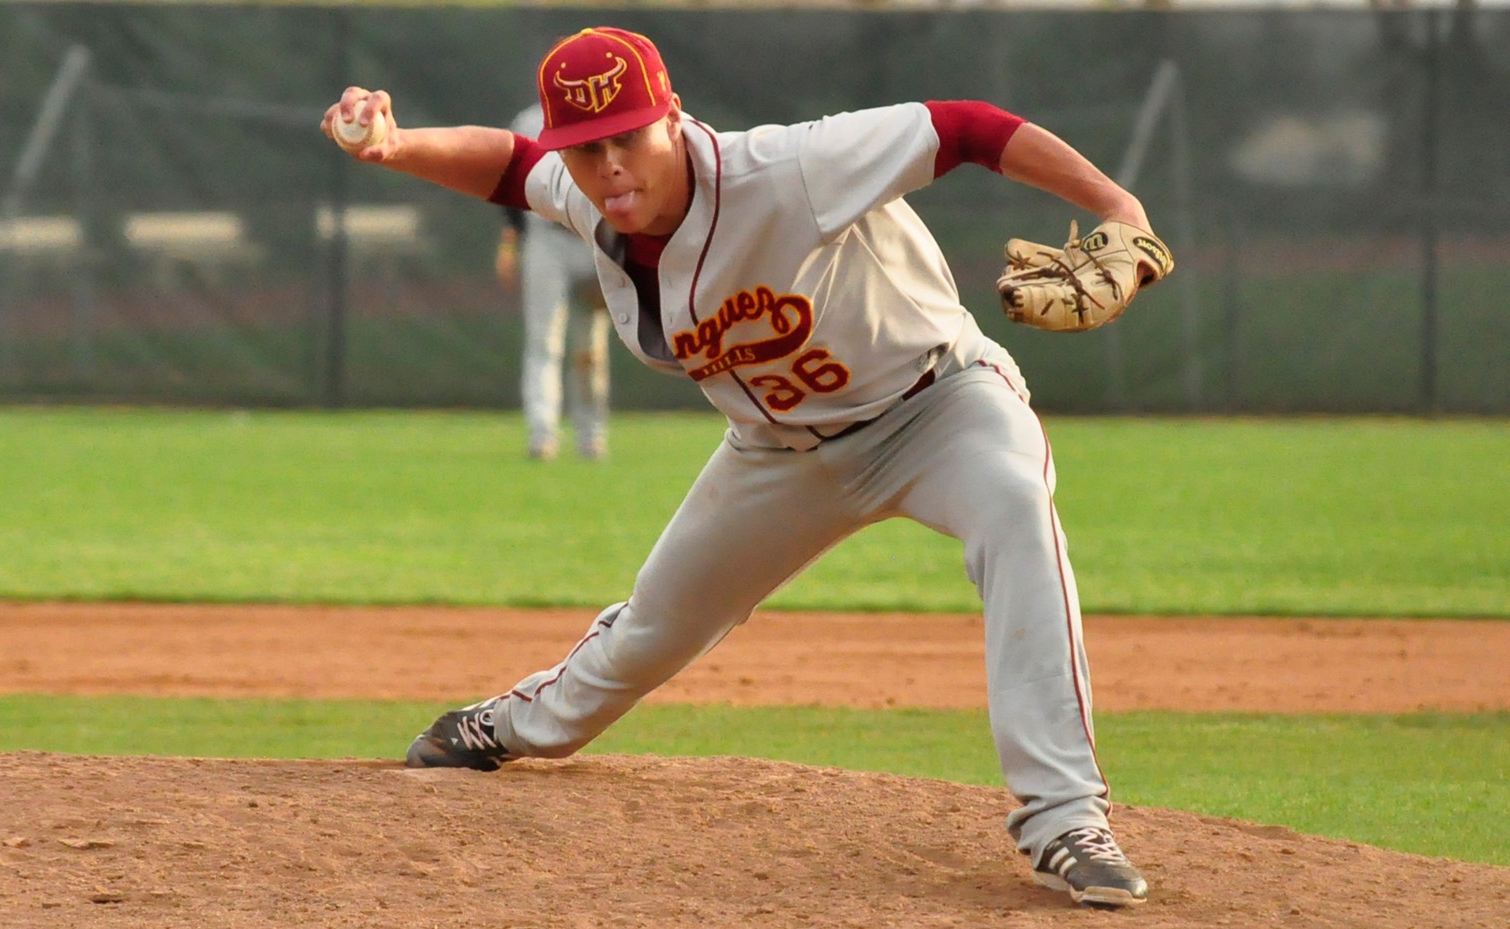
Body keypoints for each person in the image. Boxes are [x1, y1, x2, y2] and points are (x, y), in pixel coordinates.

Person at [323, 26, 1169, 908]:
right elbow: (511, 164)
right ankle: (509, 724)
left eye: (628, 139)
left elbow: (965, 126)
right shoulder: (587, 197)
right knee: (654, 626)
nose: (609, 167)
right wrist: (393, 144)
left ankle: (1066, 818)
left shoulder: (791, 170)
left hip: (937, 406)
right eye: (587, 148)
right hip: (777, 452)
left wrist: (1121, 209)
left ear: (674, 118)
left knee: (1015, 508)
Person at [499, 104, 611, 461]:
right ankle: (542, 434)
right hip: (545, 237)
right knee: (543, 340)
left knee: (590, 347)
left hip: (593, 236)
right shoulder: (530, 120)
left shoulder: (606, 117)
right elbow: (511, 181)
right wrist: (511, 240)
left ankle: (591, 435)